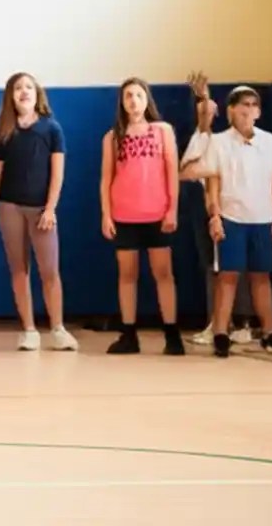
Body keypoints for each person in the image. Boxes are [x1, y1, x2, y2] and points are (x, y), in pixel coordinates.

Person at [199, 86, 272, 357]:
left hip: (262, 219)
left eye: (254, 104)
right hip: (232, 218)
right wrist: (215, 216)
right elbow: (212, 183)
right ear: (231, 109)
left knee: (261, 277)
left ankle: (270, 333)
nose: (248, 109)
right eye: (243, 104)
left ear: (259, 111)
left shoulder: (270, 142)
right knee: (228, 277)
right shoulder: (218, 142)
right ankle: (220, 333)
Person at [0, 72, 79, 352]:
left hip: (40, 209)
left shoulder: (51, 129)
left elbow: (57, 174)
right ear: (10, 96)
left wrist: (50, 208)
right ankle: (28, 329)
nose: (23, 91)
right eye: (17, 88)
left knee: (49, 270)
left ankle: (58, 328)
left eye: (28, 87)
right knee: (19, 269)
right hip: (9, 207)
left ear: (37, 93)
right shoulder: (3, 134)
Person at [98, 78, 184, 355]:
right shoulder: (112, 137)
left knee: (163, 273)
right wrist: (107, 215)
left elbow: (172, 172)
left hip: (157, 214)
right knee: (127, 274)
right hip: (125, 215)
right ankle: (128, 334)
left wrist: (171, 209)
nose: (133, 101)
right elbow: (106, 179)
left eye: (138, 95)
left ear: (147, 99)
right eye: (128, 96)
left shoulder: (162, 131)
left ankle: (172, 334)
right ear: (122, 103)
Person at [179, 72, 255, 345]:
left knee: (235, 266)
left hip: (231, 208)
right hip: (204, 209)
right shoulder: (200, 140)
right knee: (212, 266)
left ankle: (243, 322)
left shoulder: (228, 141)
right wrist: (202, 98)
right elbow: (186, 171)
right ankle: (218, 322)